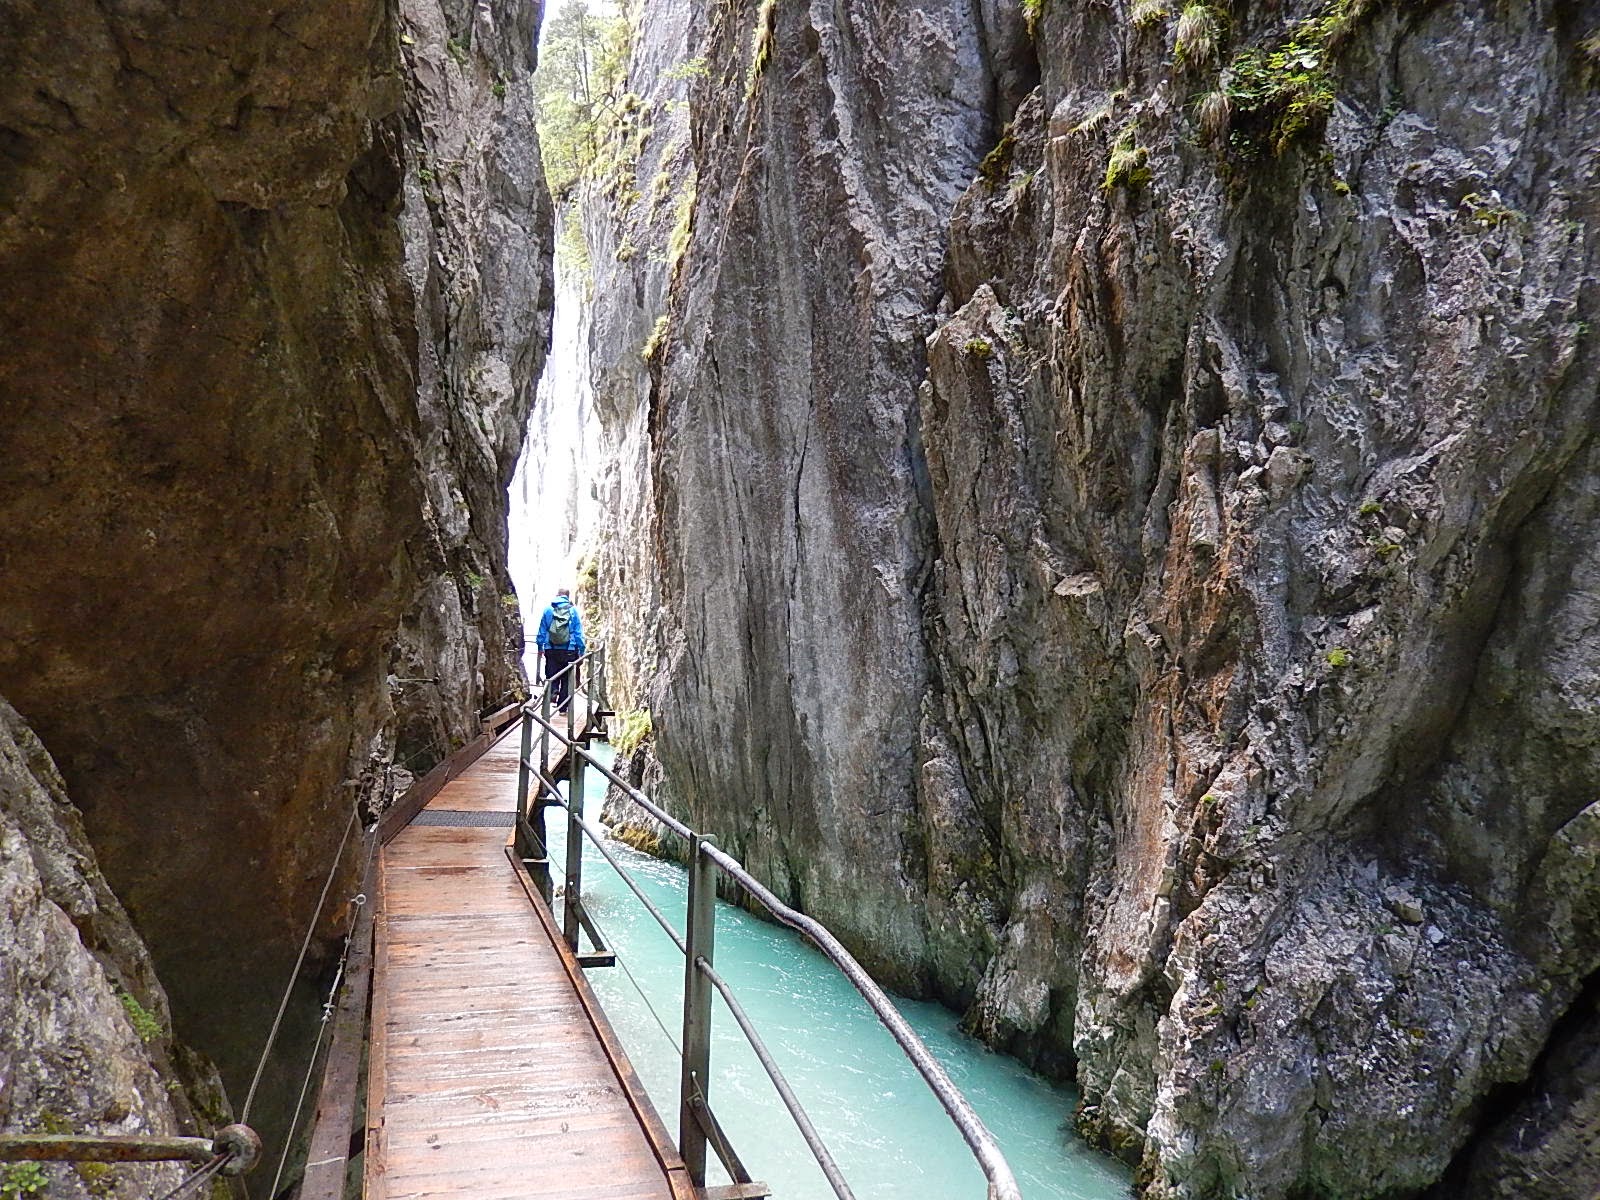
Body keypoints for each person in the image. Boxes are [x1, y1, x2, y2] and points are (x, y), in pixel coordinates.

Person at [536, 588, 586, 712]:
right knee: (567, 680)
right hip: (569, 650)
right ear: (568, 597)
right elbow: (578, 633)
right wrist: (581, 649)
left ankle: (553, 691)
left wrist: (540, 647)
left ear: (557, 595)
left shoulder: (548, 610)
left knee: (551, 675)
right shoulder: (573, 610)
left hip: (551, 649)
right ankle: (563, 708)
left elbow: (542, 630)